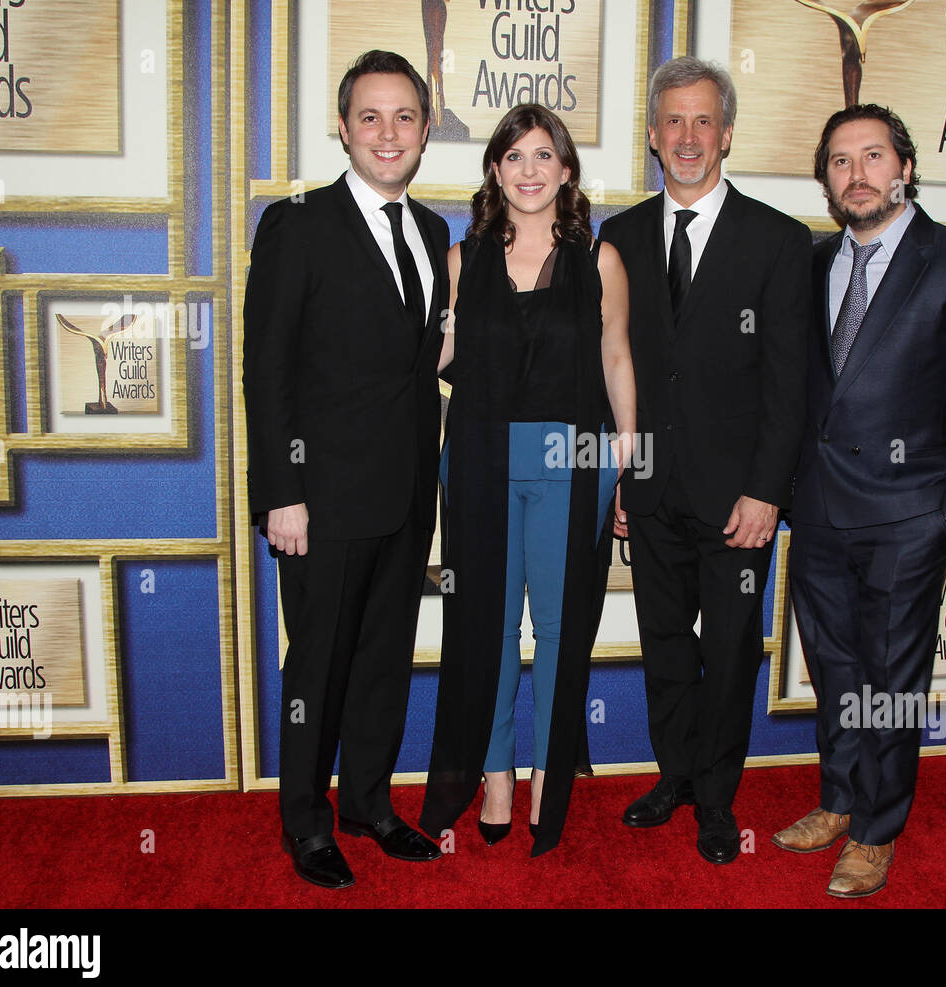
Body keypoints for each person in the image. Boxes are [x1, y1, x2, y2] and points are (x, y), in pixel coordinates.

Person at [774, 104, 946, 898]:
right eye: (840, 162)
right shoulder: (809, 263)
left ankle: (877, 830)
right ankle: (840, 799)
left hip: (909, 519)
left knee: (889, 683)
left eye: (873, 156)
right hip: (818, 515)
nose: (857, 174)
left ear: (904, 167)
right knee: (836, 672)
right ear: (827, 179)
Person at [598, 58, 811, 865]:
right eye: (672, 123)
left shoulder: (780, 241)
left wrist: (767, 492)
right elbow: (608, 368)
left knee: (728, 652)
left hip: (737, 503)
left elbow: (792, 386)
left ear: (726, 132)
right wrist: (620, 471)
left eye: (702, 122)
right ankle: (676, 774)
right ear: (653, 136)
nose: (688, 138)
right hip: (649, 494)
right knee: (663, 646)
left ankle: (717, 799)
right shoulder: (615, 240)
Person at [243, 50, 448, 889]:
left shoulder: (435, 232)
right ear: (343, 126)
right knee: (317, 666)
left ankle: (368, 803)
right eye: (371, 116)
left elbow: (421, 362)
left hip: (405, 495)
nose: (388, 133)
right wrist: (280, 494)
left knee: (382, 660)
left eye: (405, 117)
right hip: (320, 500)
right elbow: (268, 370)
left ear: (426, 129)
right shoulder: (297, 225)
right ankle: (306, 821)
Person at [418, 104, 636, 857]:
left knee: (560, 628)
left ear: (567, 170)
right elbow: (440, 359)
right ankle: (496, 773)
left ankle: (549, 773)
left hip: (573, 461)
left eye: (544, 156)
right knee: (487, 629)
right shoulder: (459, 258)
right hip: (478, 459)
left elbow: (615, 359)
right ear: (495, 170)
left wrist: (628, 461)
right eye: (515, 156)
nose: (530, 170)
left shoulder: (600, 259)